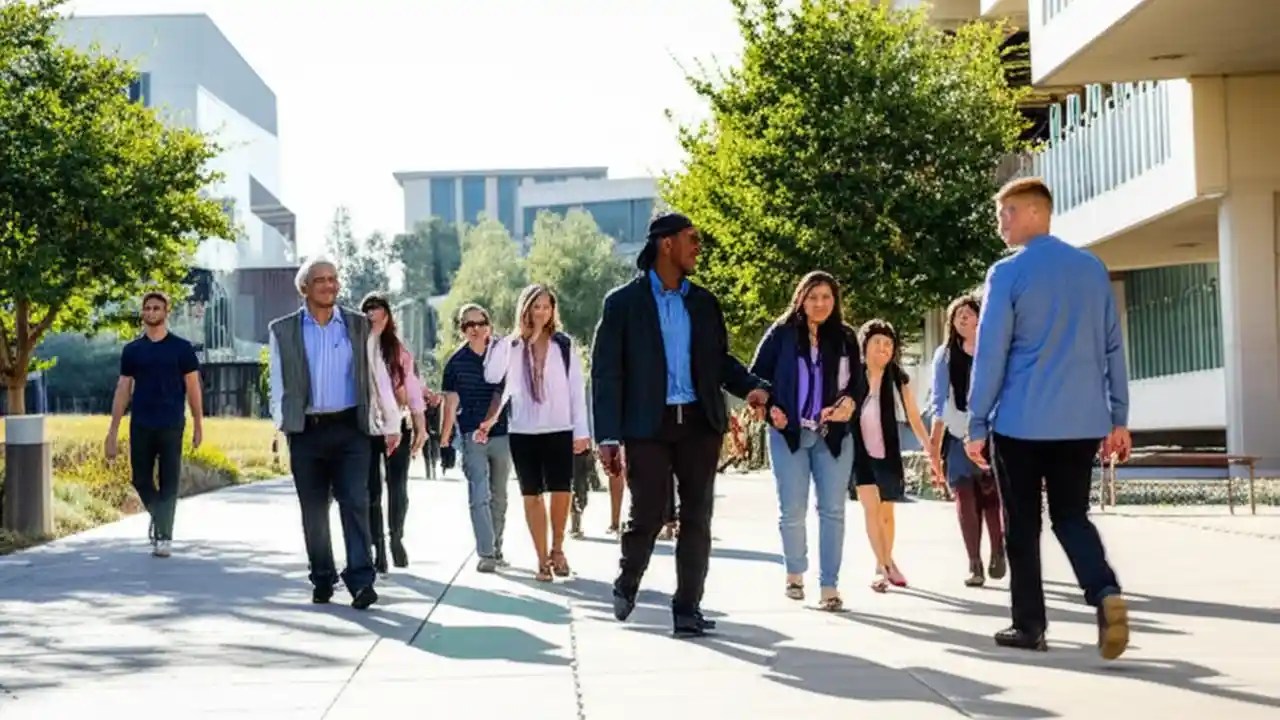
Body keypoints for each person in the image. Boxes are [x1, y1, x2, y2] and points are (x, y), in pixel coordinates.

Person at [965, 176, 1131, 659]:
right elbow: (1113, 346)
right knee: (1071, 517)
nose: (1001, 224)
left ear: (1036, 212)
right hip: (1082, 422)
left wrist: (977, 423)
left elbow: (991, 353)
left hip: (1020, 423)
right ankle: (1104, 592)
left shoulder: (1007, 273)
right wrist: (1118, 416)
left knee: (1022, 526)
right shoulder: (1092, 268)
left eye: (1007, 213)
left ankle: (1029, 625)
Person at [592, 211, 770, 638]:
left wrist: (752, 387)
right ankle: (627, 578)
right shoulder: (622, 304)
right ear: (665, 243)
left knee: (697, 517)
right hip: (646, 425)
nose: (698, 247)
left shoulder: (704, 303)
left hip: (698, 423)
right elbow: (606, 373)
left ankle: (687, 608)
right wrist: (609, 436)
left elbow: (719, 360)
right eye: (692, 238)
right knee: (650, 511)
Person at [267, 256, 403, 610]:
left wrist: (391, 424)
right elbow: (278, 382)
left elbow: (377, 377)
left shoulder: (359, 327)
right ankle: (322, 577)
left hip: (350, 430)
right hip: (307, 432)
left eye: (333, 279)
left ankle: (361, 580)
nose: (330, 285)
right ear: (305, 288)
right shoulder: (283, 329)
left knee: (355, 502)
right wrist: (281, 423)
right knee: (313, 510)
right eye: (321, 280)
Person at [750, 271, 860, 611]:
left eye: (827, 297)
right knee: (792, 510)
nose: (820, 303)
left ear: (835, 301)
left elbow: (857, 383)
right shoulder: (782, 334)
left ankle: (829, 586)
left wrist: (850, 403)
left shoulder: (844, 337)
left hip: (833, 435)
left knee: (833, 511)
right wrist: (770, 409)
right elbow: (755, 377)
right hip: (790, 434)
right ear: (801, 298)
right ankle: (794, 573)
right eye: (813, 297)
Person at [480, 284, 591, 581]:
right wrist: (506, 340)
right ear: (525, 309)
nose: (541, 312)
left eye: (546, 306)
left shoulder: (563, 345)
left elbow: (576, 391)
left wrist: (582, 430)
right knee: (531, 495)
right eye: (535, 306)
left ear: (553, 310)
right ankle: (541, 559)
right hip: (523, 431)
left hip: (559, 428)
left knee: (561, 491)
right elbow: (492, 376)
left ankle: (557, 548)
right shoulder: (513, 346)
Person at [105, 291, 204, 558]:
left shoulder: (182, 349)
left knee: (169, 481)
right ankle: (160, 517)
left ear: (166, 312)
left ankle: (164, 537)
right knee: (140, 478)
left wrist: (198, 423)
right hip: (142, 423)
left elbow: (193, 387)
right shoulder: (133, 350)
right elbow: (123, 389)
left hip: (172, 423)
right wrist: (112, 430)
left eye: (156, 308)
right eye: (147, 308)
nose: (151, 312)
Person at [850, 319, 940, 593]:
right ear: (865, 345)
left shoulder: (898, 379)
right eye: (877, 342)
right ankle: (883, 567)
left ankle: (885, 562)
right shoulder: (853, 376)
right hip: (859, 452)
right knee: (871, 509)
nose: (883, 348)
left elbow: (913, 416)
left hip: (887, 451)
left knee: (887, 513)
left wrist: (930, 448)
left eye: (888, 344)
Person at [930, 293, 1005, 588]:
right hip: (957, 432)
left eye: (969, 312)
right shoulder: (946, 355)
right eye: (957, 314)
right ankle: (974, 562)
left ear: (980, 317)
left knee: (991, 498)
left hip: (992, 432)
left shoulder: (993, 350)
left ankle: (998, 550)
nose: (963, 317)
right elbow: (938, 399)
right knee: (964, 497)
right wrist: (937, 443)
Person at [440, 303, 512, 573]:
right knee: (478, 494)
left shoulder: (501, 356)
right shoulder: (455, 364)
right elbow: (449, 405)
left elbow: (506, 393)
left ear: (488, 325)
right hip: (472, 435)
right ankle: (486, 552)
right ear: (462, 330)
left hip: (502, 434)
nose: (475, 329)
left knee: (500, 495)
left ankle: (497, 545)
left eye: (480, 323)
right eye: (468, 325)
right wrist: (444, 440)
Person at [361, 292, 428, 572]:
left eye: (378, 311)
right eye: (368, 312)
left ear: (388, 316)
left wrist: (421, 428)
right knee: (371, 490)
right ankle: (377, 547)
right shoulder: (358, 346)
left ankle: (396, 537)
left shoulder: (397, 350)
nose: (373, 316)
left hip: (396, 425)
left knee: (398, 486)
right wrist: (370, 337)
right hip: (365, 427)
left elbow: (412, 391)